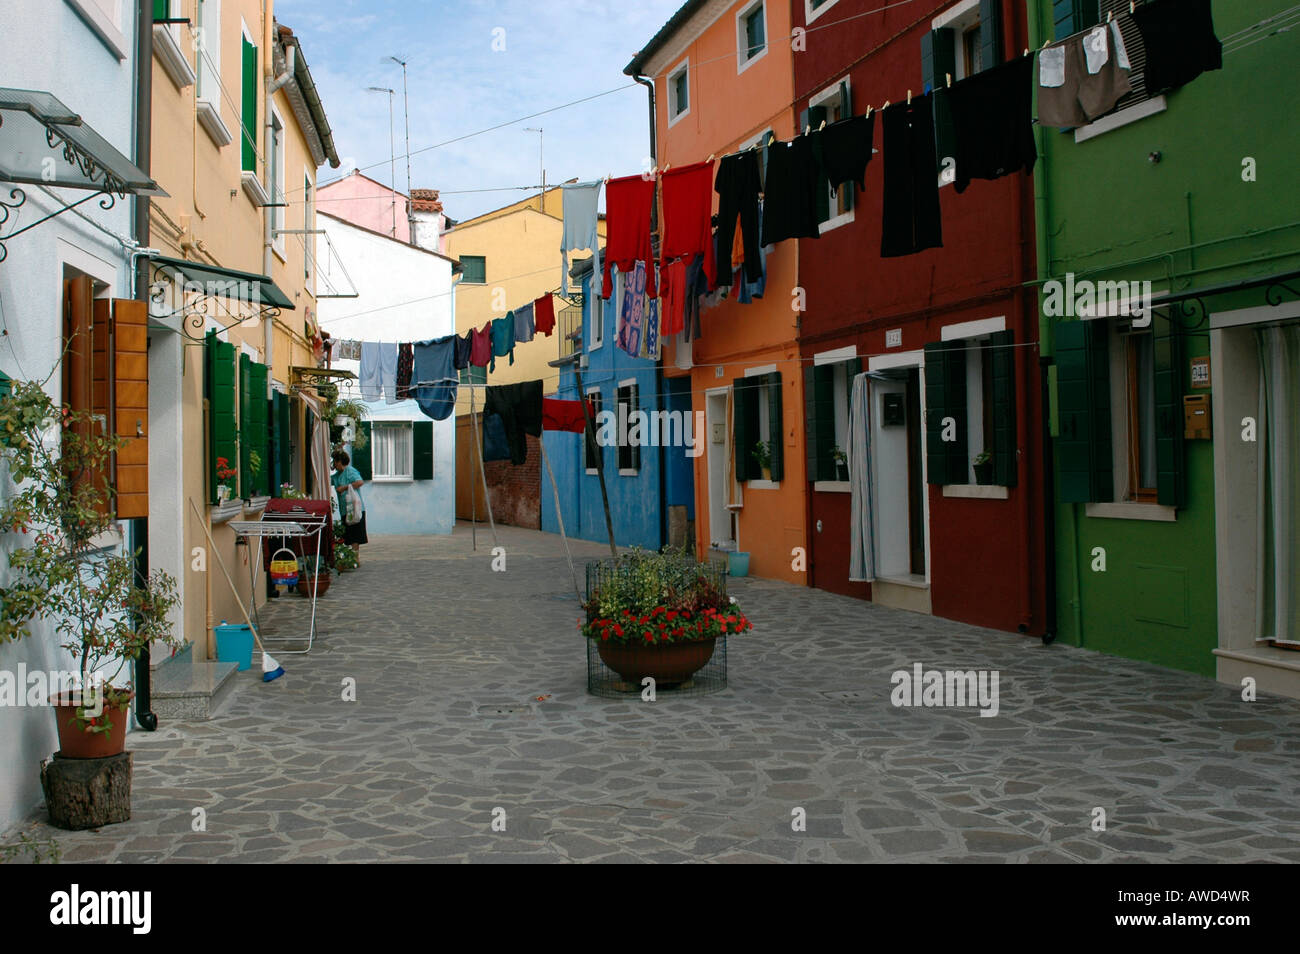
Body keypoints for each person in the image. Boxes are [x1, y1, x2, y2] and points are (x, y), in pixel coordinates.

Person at [331, 449, 368, 564]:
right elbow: (328, 480)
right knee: (348, 535)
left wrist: (344, 487)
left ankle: (355, 559)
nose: (334, 465)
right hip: (345, 509)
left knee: (355, 535)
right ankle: (351, 559)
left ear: (340, 462)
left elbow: (360, 482)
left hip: (355, 509)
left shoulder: (350, 471)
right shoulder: (337, 476)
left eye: (335, 462)